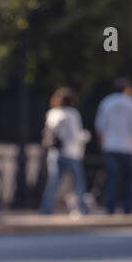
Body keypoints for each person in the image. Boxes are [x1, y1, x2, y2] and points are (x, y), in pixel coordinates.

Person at [94, 77, 132, 214]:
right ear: (127, 89)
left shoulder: (106, 102)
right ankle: (127, 207)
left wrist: (102, 145)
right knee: (129, 180)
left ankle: (110, 207)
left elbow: (100, 127)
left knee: (111, 178)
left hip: (110, 146)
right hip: (128, 147)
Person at [39, 87, 91, 216]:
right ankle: (81, 209)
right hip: (72, 153)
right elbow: (75, 135)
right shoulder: (73, 114)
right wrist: (86, 135)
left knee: (53, 183)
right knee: (78, 183)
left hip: (55, 152)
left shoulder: (52, 113)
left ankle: (46, 209)